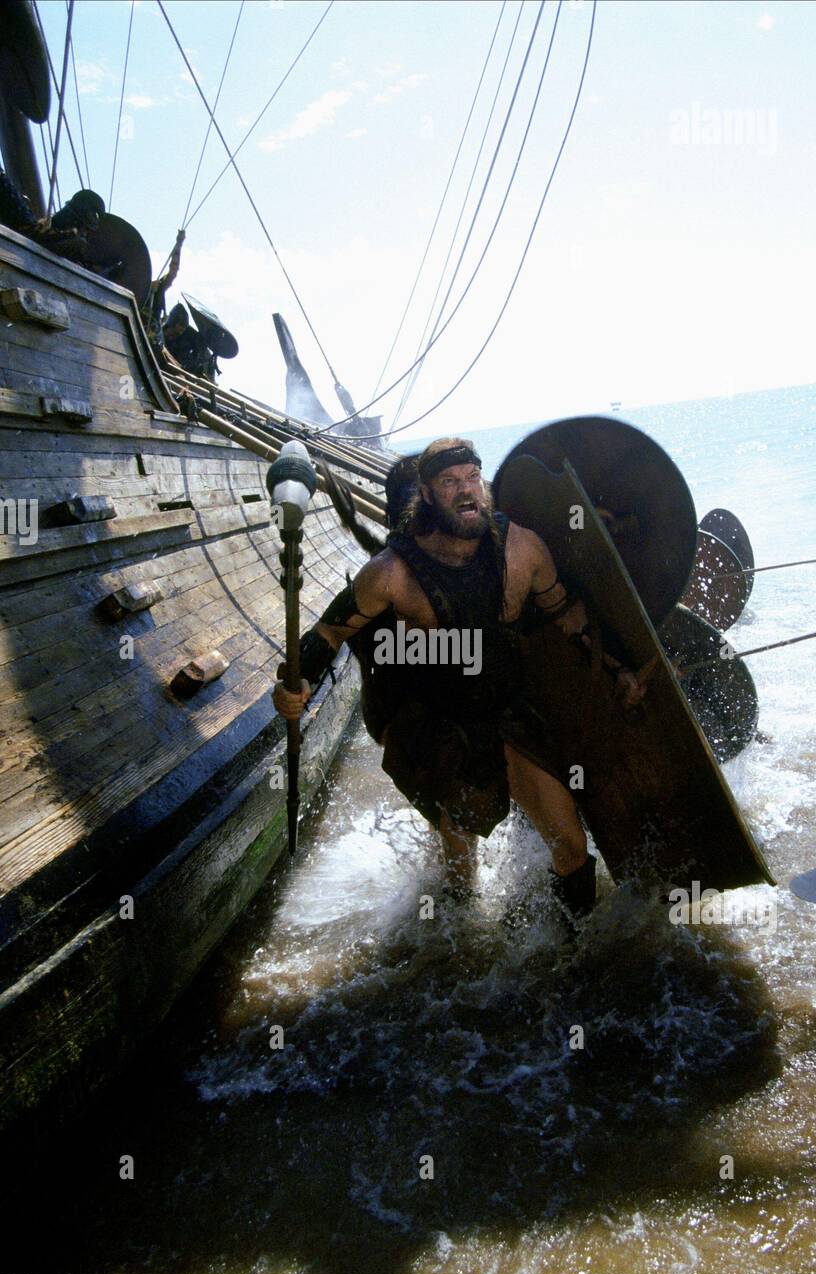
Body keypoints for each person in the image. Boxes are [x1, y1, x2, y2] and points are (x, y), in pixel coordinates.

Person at [272, 438, 646, 926]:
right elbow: (330, 631)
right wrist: (296, 684)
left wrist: (620, 670)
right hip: (435, 716)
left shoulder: (523, 549)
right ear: (427, 495)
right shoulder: (391, 574)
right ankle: (456, 935)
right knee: (459, 837)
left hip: (506, 709)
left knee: (570, 844)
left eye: (472, 478)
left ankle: (569, 958)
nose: (465, 491)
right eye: (450, 483)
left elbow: (564, 614)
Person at [142, 228, 185, 354]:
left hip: (153, 341)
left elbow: (173, 272)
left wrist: (179, 244)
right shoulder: (134, 289)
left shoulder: (157, 289)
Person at [162, 302, 214, 379]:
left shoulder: (181, 344)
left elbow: (185, 365)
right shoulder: (159, 334)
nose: (182, 329)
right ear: (174, 321)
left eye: (184, 327)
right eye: (181, 325)